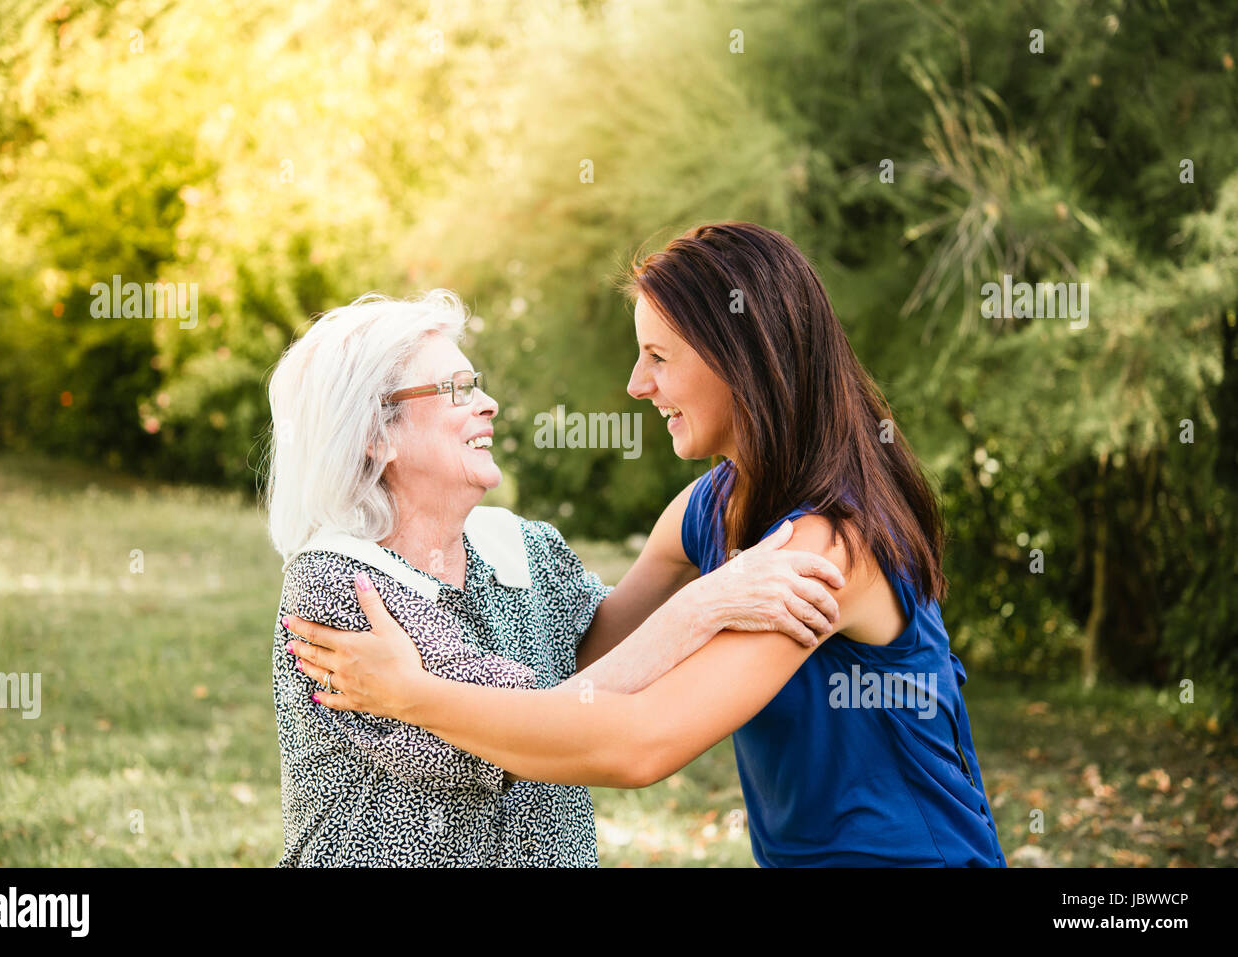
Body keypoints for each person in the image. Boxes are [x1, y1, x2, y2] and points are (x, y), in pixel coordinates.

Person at [286, 223, 1008, 867]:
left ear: (741, 359)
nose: (637, 384)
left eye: (659, 357)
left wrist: (415, 695)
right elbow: (592, 665)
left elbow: (637, 742)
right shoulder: (707, 510)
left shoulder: (825, 546)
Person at [266, 288, 845, 866]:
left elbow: (605, 657)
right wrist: (710, 602)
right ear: (376, 435)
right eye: (458, 390)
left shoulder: (523, 545)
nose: (488, 403)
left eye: (478, 383)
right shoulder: (338, 586)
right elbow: (539, 726)